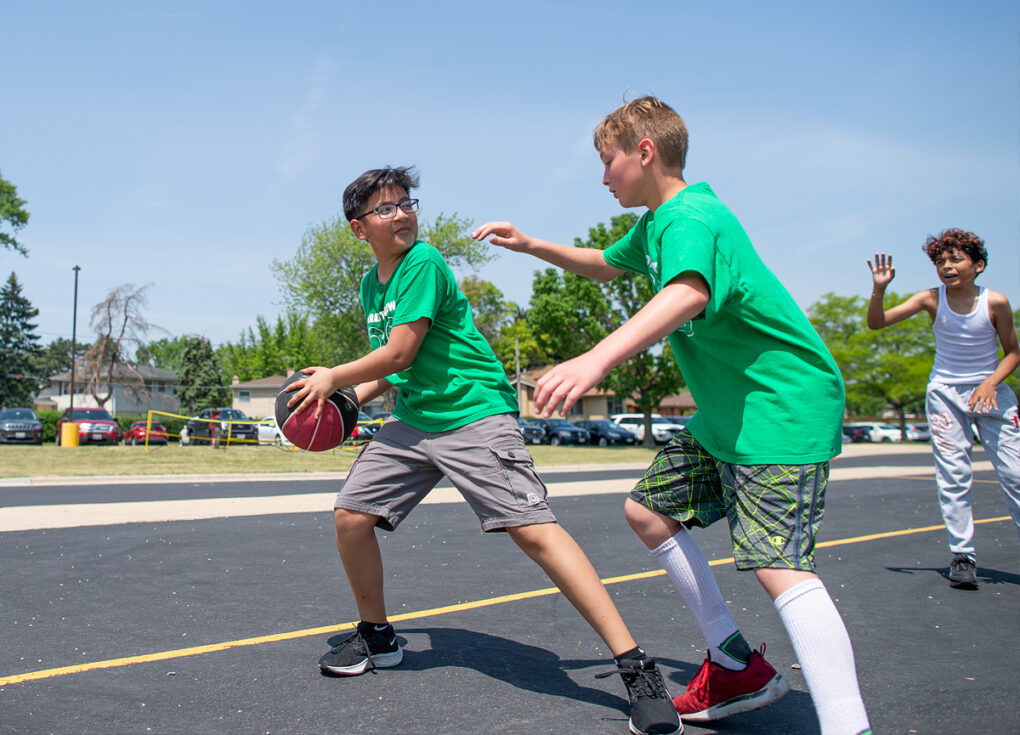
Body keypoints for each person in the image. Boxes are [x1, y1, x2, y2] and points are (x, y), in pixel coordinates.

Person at [472, 96, 871, 735]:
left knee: (780, 565)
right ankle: (735, 665)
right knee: (648, 510)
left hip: (779, 406)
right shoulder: (657, 223)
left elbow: (689, 291)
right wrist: (531, 245)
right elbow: (605, 265)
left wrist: (595, 359)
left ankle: (850, 727)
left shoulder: (691, 216)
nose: (603, 177)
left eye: (609, 161)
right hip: (725, 416)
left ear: (645, 151)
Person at [286, 166, 681, 735]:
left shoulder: (423, 263)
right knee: (351, 516)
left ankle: (635, 668)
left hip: (474, 413)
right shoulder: (375, 283)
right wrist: (340, 403)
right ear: (358, 229)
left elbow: (399, 353)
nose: (401, 214)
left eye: (406, 203)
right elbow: (391, 369)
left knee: (533, 530)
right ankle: (378, 637)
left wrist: (334, 377)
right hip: (416, 418)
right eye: (386, 208)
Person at [867, 231, 1020, 589]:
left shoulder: (995, 302)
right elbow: (877, 322)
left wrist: (990, 382)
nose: (947, 267)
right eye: (940, 262)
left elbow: (1013, 352)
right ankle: (962, 555)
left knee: (1015, 473)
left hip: (991, 392)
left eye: (955, 260)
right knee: (953, 476)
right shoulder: (930, 299)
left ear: (978, 265)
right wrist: (879, 289)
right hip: (945, 395)